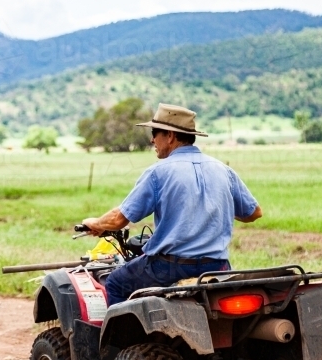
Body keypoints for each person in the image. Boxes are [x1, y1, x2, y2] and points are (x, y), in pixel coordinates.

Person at [81, 103, 262, 306]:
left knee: (115, 283)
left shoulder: (158, 172)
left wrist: (95, 223)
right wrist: (218, 207)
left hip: (169, 266)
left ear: (170, 135)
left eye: (154, 133)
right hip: (217, 266)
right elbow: (254, 213)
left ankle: (118, 337)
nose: (151, 140)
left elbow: (118, 219)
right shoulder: (223, 170)